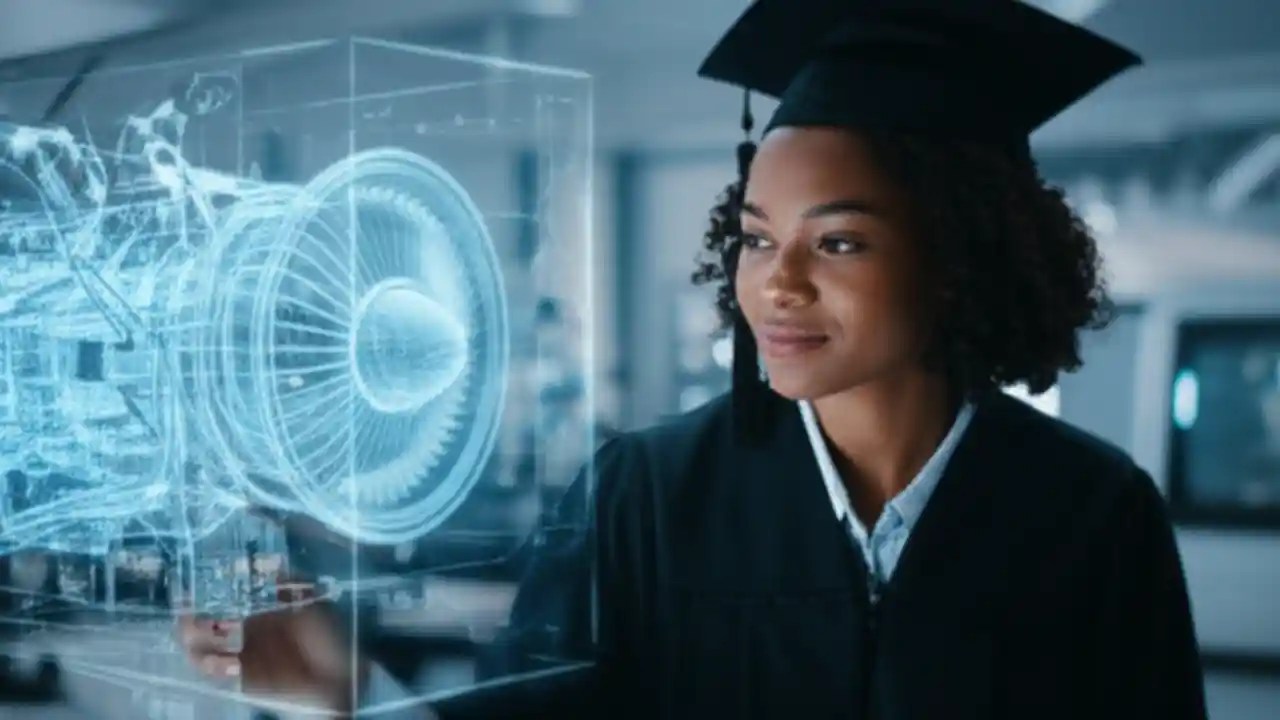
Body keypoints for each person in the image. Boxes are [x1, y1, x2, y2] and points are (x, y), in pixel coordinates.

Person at [179, 1, 1208, 718]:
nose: (776, 283)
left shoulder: (1088, 515)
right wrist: (341, 697)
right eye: (757, 236)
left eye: (837, 240)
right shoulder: (646, 497)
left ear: (959, 257)